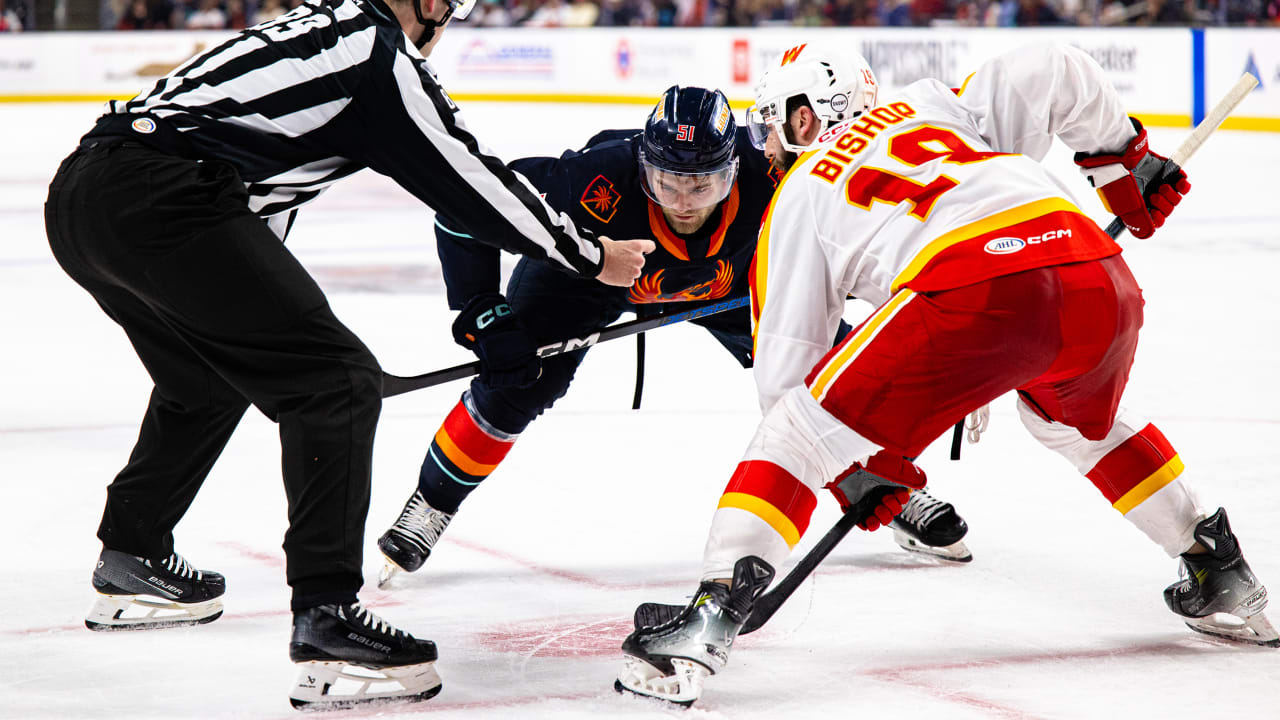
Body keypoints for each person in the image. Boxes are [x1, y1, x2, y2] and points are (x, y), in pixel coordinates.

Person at [615, 42, 1278, 706]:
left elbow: (787, 377)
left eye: (773, 123)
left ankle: (707, 619)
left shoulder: (801, 191)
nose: (768, 145)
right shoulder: (930, 105)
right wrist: (1123, 160)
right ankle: (1219, 567)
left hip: (975, 286)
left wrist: (852, 468)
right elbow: (1054, 69)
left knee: (795, 430)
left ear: (806, 119)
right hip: (1096, 274)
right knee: (1070, 422)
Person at [44, 0, 651, 710]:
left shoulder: (318, 29)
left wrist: (260, 310)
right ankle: (328, 618)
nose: (446, 28)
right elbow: (468, 180)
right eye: (449, 12)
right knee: (337, 383)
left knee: (203, 381)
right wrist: (589, 256)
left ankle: (133, 553)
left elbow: (254, 178)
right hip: (160, 199)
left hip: (86, 195)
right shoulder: (374, 54)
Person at [374, 85, 974, 589]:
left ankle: (874, 480)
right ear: (642, 166)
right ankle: (432, 503)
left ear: (733, 169)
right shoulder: (591, 181)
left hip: (733, 282)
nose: (684, 202)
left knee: (830, 373)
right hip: (588, 275)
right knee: (515, 381)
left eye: (703, 185)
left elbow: (867, 216)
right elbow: (462, 206)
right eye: (666, 182)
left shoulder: (776, 175)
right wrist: (482, 309)